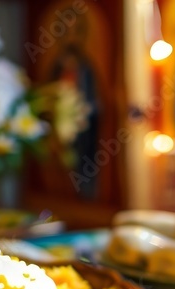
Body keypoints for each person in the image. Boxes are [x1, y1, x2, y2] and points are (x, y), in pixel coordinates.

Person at [51, 16, 101, 200]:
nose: (71, 37)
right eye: (67, 32)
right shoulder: (57, 65)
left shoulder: (86, 66)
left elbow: (95, 98)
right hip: (60, 124)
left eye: (75, 32)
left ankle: (85, 196)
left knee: (82, 165)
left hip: (84, 127)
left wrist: (85, 109)